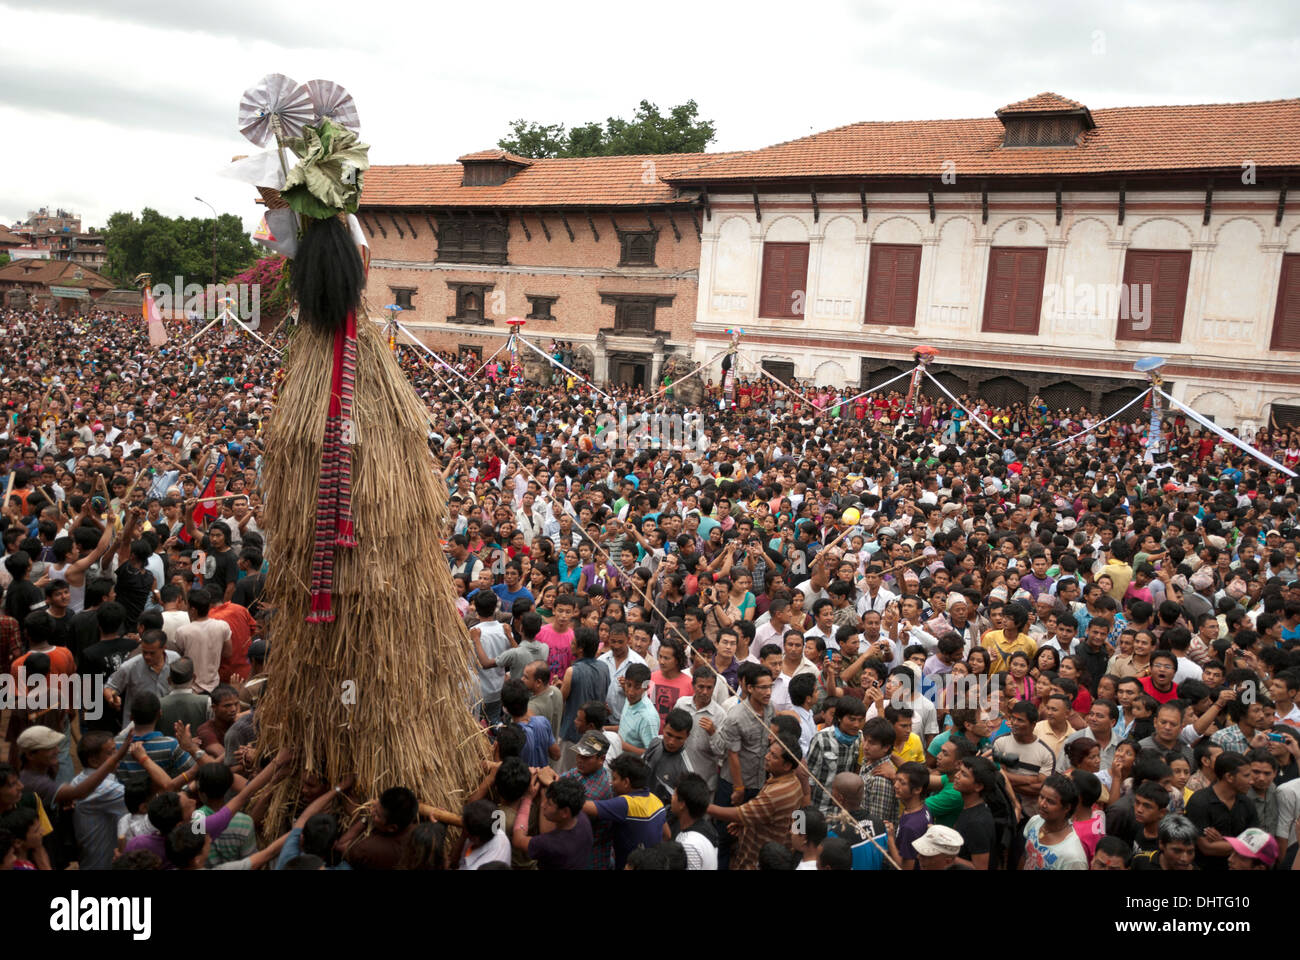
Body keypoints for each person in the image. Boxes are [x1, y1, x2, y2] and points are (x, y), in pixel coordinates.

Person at [706, 731, 804, 871]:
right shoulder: (794, 782)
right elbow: (797, 818)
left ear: (787, 766)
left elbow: (738, 813)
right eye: (769, 752)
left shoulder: (777, 793)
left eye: (773, 756)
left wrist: (702, 806)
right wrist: (746, 822)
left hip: (758, 861)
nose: (766, 757)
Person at [1184, 752, 1259, 870]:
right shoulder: (1199, 802)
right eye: (1246, 776)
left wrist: (1224, 840)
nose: (1251, 781)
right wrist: (1241, 844)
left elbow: (1257, 843)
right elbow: (1207, 848)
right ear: (1229, 777)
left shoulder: (1247, 803)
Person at [805, 696, 866, 815]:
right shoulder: (822, 739)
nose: (856, 725)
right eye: (852, 719)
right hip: (820, 809)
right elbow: (809, 780)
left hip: (845, 813)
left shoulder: (861, 739)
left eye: (860, 720)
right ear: (839, 718)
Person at [1021, 773, 1089, 870]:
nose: (1042, 804)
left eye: (1050, 801)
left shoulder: (1073, 858)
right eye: (1041, 797)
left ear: (1066, 808)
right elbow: (1026, 857)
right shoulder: (1035, 821)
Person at [1130, 814, 1198, 871]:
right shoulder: (1141, 861)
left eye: (1190, 852)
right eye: (1177, 851)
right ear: (1161, 844)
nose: (1184, 859)